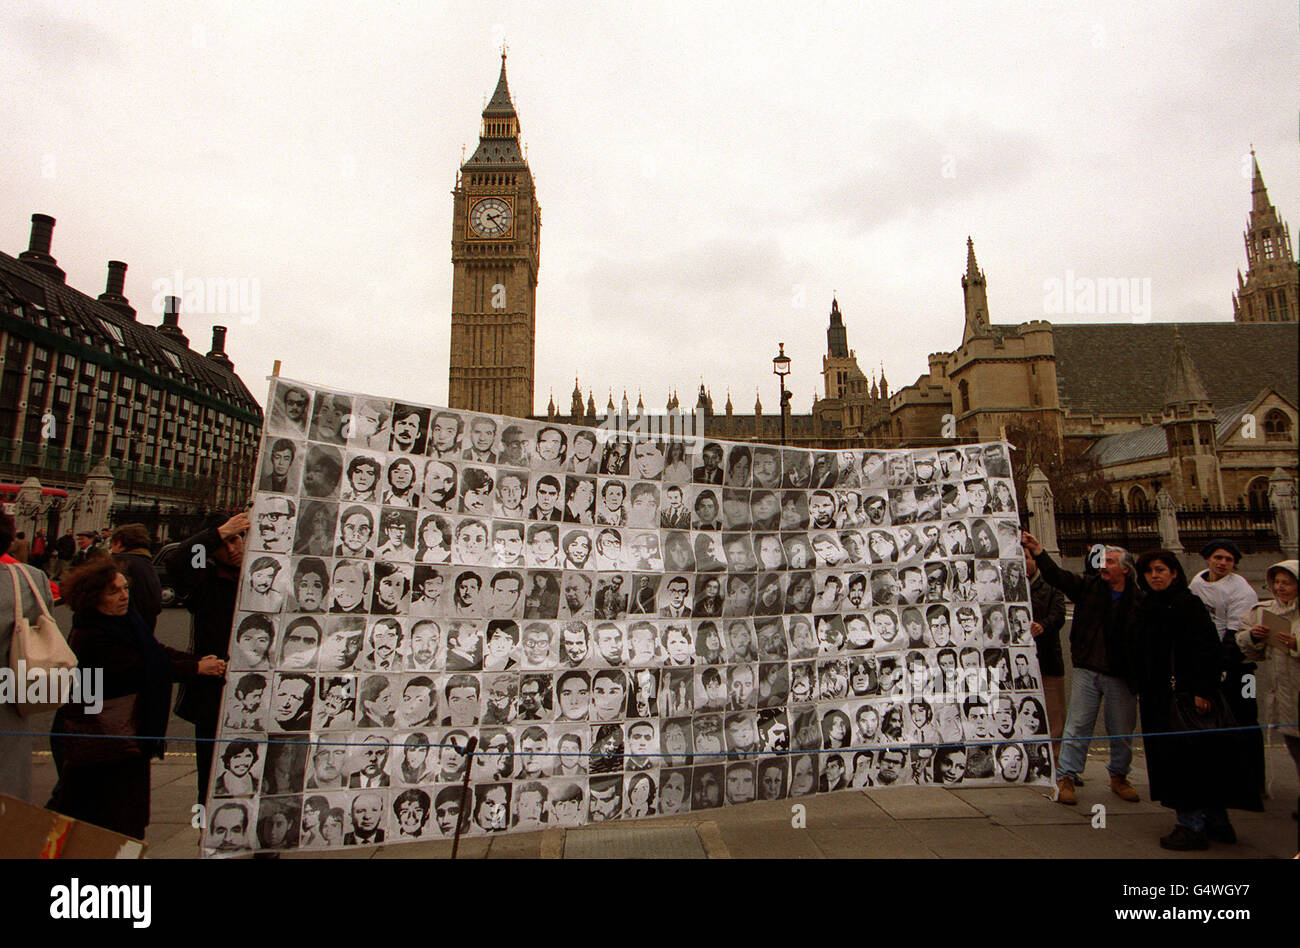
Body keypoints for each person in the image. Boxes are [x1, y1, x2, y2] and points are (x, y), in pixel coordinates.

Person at [50, 559, 225, 839]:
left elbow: (155, 650)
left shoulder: (126, 620)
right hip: (103, 736)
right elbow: (141, 669)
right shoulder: (90, 633)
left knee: (126, 810)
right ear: (92, 597)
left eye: (125, 588)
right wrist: (195, 668)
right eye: (114, 591)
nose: (124, 596)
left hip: (129, 732)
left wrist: (196, 660)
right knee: (101, 812)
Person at [1132, 550, 1256, 850]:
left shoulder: (1188, 604)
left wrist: (1203, 690)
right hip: (1160, 697)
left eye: (1160, 570)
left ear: (1174, 572)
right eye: (1149, 572)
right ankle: (1216, 821)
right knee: (1201, 760)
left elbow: (1207, 649)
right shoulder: (1149, 604)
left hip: (1185, 696)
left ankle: (1191, 826)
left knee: (1186, 762)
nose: (1155, 576)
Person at [1022, 531, 1143, 807]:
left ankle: (1119, 776)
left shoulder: (1137, 600)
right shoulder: (1089, 587)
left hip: (1120, 673)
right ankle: (1066, 776)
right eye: (1102, 561)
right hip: (1088, 668)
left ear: (1125, 569)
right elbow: (1059, 577)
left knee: (1122, 729)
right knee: (1077, 726)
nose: (1103, 565)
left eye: (1110, 562)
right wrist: (1040, 551)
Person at [163, 511, 249, 805]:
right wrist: (219, 532)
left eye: (238, 539)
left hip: (255, 686)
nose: (234, 548)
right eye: (226, 542)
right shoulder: (204, 579)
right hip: (216, 686)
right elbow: (176, 562)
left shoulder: (256, 574)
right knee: (213, 770)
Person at [1188, 538, 1263, 797]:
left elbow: (1235, 634)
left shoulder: (1241, 590)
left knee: (1245, 719)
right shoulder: (1198, 582)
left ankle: (1255, 779)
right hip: (1210, 659)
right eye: (1218, 558)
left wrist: (1218, 666)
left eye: (1229, 559)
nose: (1222, 563)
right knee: (1215, 720)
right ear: (1208, 558)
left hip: (1241, 666)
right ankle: (1226, 774)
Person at [1237, 560, 1299, 801]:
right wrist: (1253, 636)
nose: (1281, 587)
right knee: (1293, 745)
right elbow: (1252, 653)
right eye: (1277, 582)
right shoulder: (1264, 611)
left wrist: (1296, 644)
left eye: (1287, 582)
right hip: (1284, 693)